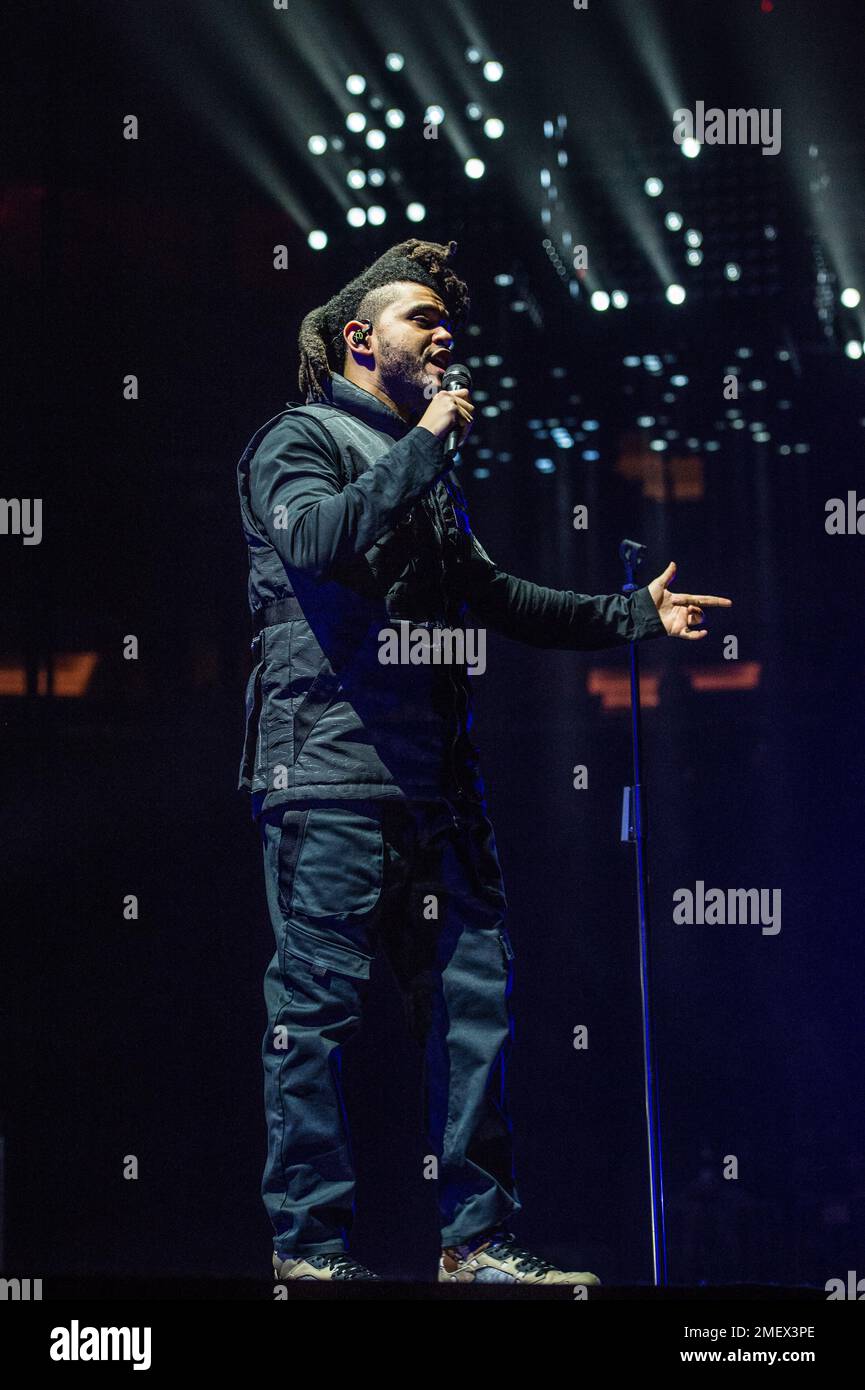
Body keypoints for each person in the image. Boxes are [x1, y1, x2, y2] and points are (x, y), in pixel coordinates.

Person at [236, 237, 731, 1285]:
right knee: (315, 1016)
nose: (446, 333)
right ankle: (309, 1252)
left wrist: (631, 613)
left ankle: (472, 1244)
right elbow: (319, 543)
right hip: (325, 775)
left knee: (474, 1010)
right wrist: (423, 441)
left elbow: (496, 599)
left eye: (446, 321)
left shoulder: (423, 466)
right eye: (424, 318)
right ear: (361, 339)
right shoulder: (297, 440)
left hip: (437, 785)